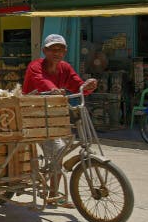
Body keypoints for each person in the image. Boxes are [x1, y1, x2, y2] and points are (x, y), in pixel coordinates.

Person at [22, 34, 97, 206]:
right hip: (34, 115)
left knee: (60, 150)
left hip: (54, 115)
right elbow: (41, 81)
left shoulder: (65, 68)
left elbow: (77, 84)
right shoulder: (35, 66)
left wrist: (88, 86)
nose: (57, 52)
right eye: (52, 49)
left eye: (60, 49)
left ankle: (53, 192)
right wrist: (54, 90)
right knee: (58, 150)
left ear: (65, 51)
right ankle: (54, 194)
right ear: (44, 51)